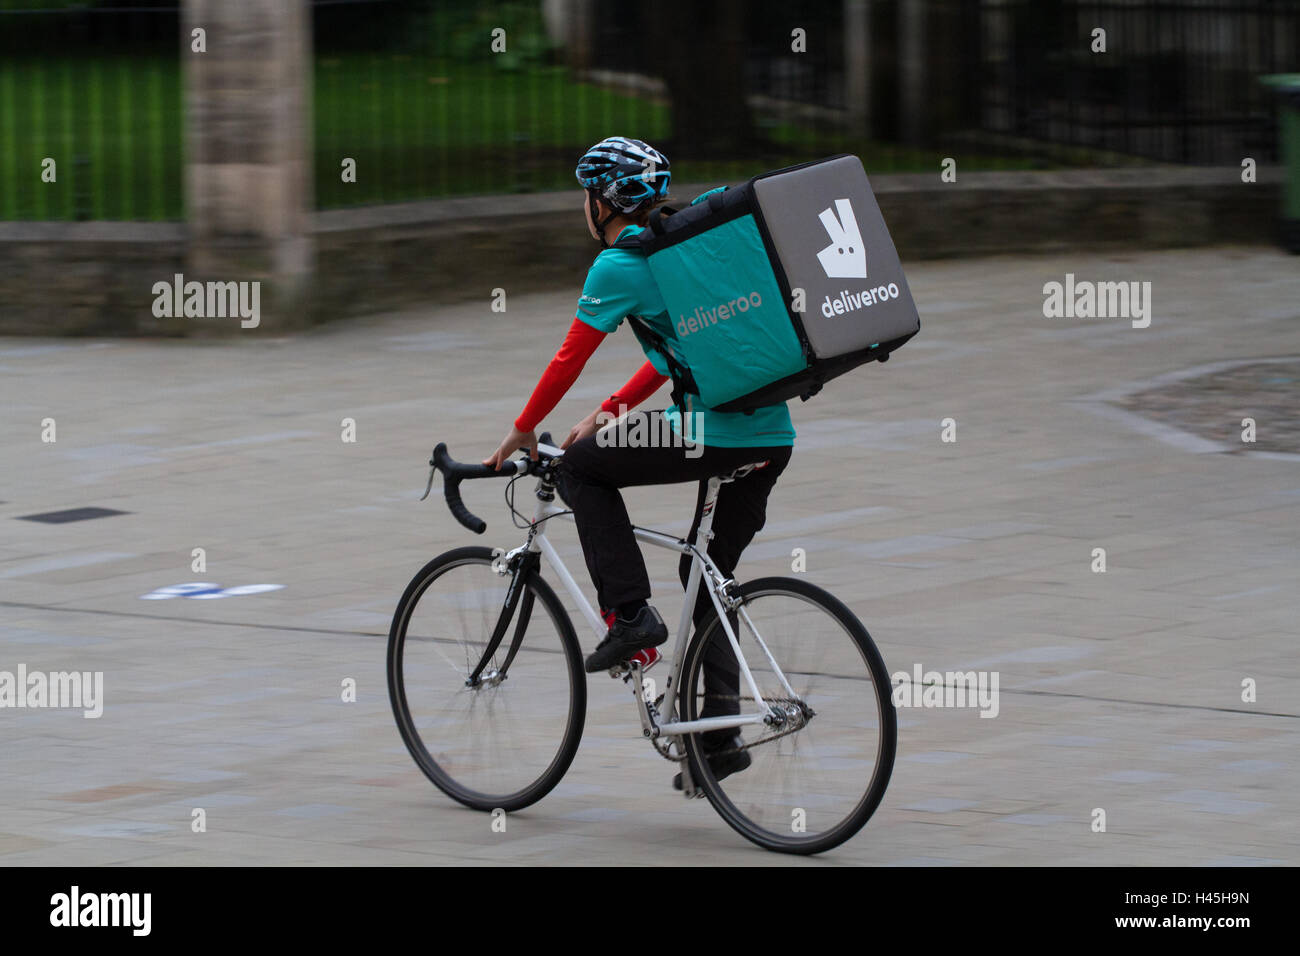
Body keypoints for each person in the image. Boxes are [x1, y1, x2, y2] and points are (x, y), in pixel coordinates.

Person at [482, 137, 795, 786]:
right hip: (772, 435)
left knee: (577, 469)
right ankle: (721, 740)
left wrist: (522, 429)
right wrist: (611, 411)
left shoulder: (620, 265)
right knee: (704, 573)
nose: (583, 207)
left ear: (604, 201)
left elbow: (568, 358)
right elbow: (675, 351)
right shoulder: (685, 247)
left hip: (709, 433)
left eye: (585, 195)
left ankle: (628, 616)